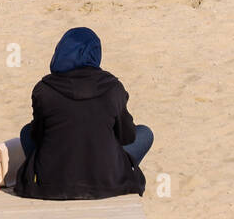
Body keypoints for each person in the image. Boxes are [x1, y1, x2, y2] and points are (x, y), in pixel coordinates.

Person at [14, 27, 152, 200]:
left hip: (53, 183)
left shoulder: (43, 89)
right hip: (107, 182)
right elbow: (127, 137)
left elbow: (38, 137)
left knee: (26, 132)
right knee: (145, 133)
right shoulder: (113, 87)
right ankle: (105, 168)